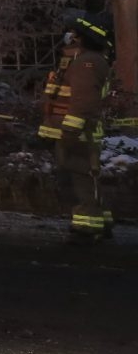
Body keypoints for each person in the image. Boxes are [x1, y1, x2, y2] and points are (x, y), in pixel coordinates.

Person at [38, 14, 116, 242]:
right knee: (80, 174)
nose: (69, 36)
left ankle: (88, 226)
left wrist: (71, 130)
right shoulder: (78, 60)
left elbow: (84, 102)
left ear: (82, 38)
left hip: (79, 131)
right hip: (70, 129)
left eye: (74, 33)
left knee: (82, 175)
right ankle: (100, 220)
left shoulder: (87, 63)